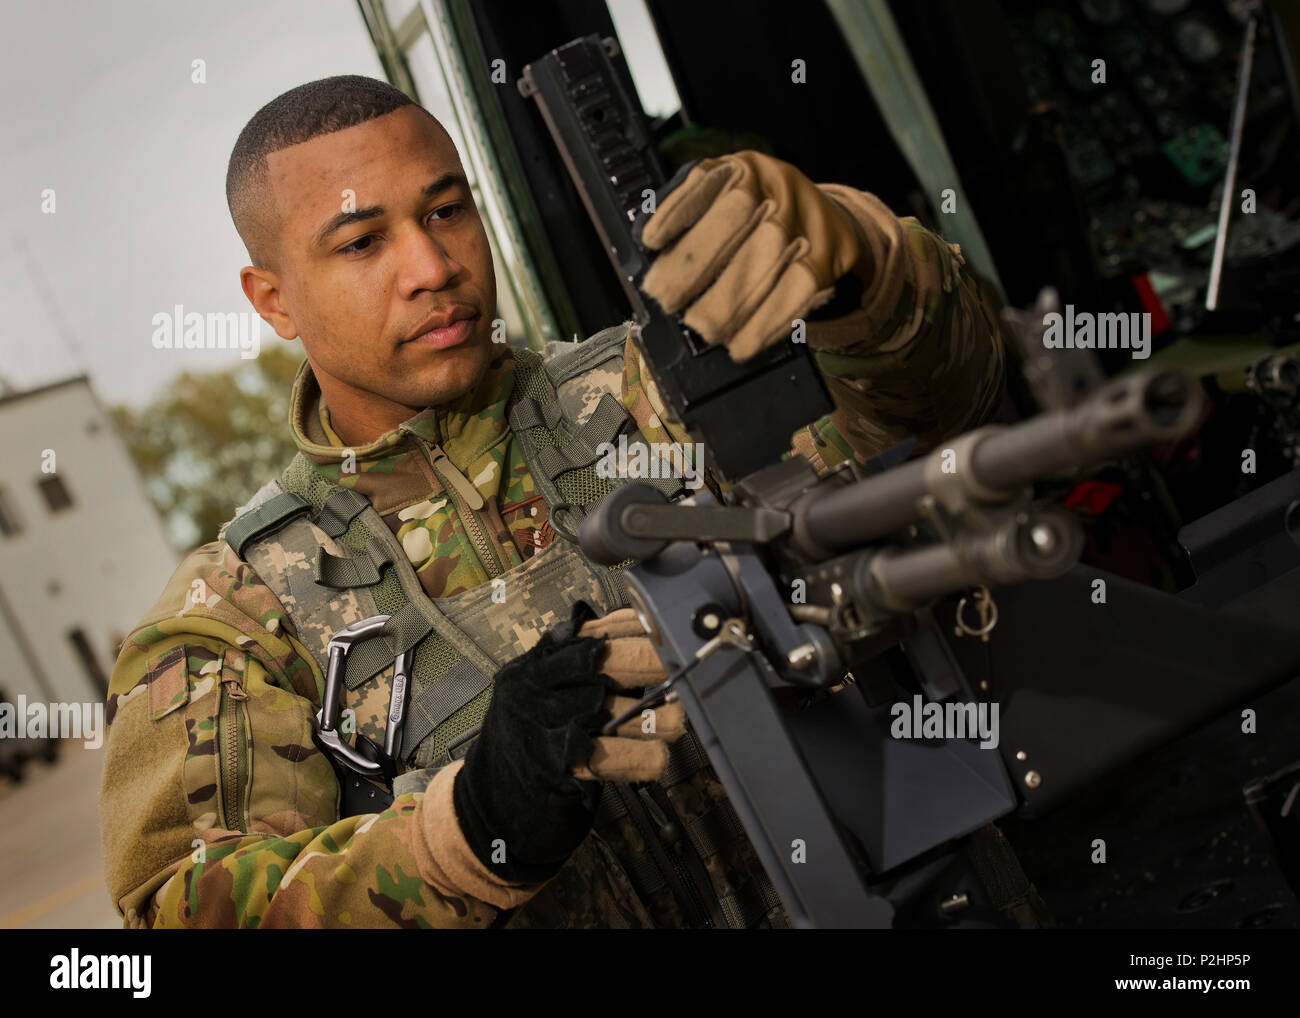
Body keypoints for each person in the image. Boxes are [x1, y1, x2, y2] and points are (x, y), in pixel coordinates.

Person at [99, 75, 1032, 929]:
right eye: (362, 242)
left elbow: (943, 417)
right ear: (273, 301)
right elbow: (183, 907)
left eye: (447, 210)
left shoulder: (659, 384)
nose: (432, 266)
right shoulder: (239, 614)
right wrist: (467, 827)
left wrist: (864, 262)